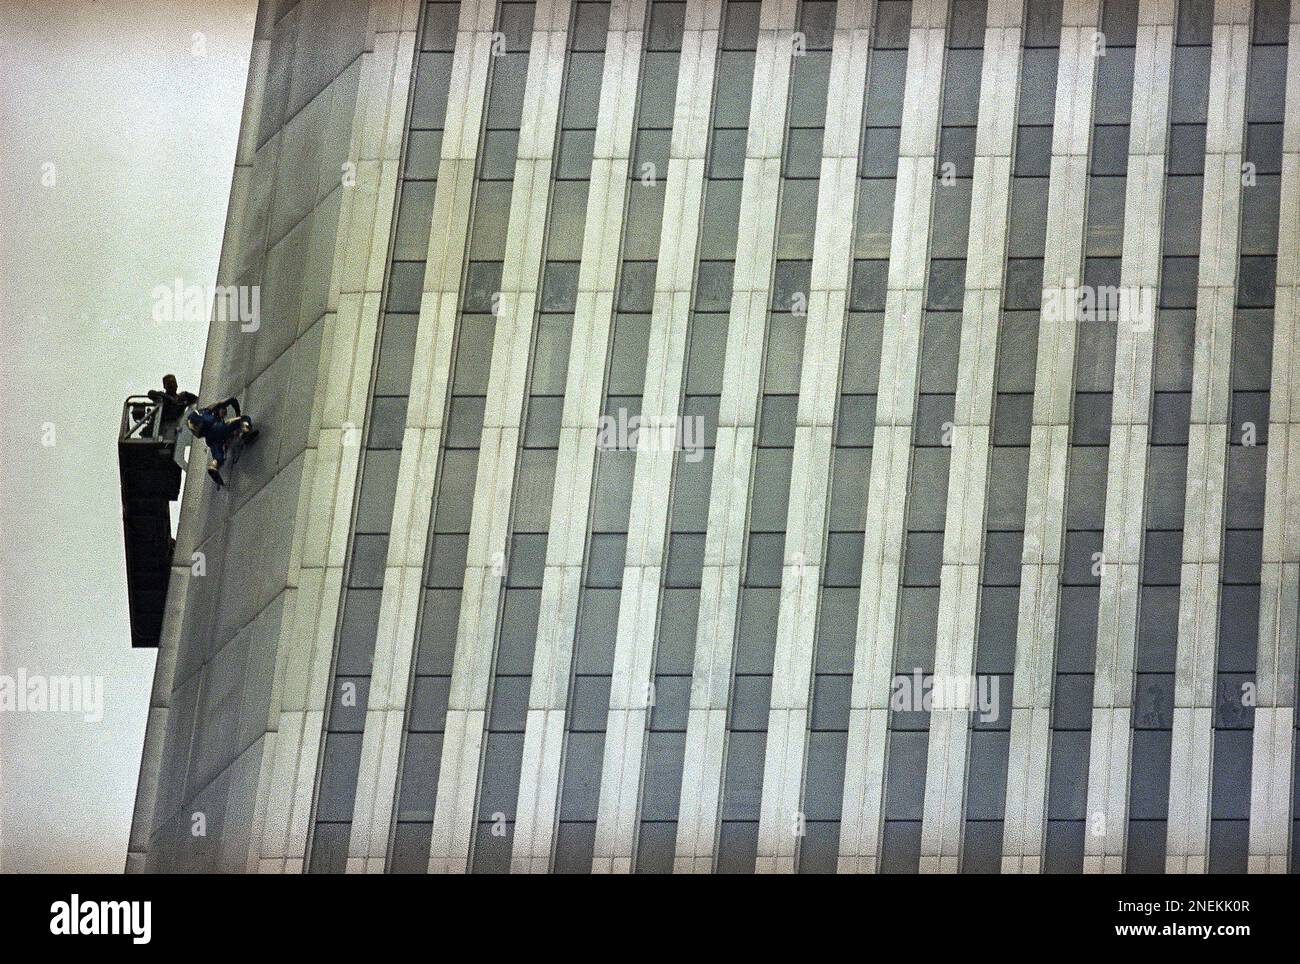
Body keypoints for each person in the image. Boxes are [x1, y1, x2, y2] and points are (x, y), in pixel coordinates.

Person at [186, 396, 259, 488]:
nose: (224, 413)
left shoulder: (205, 414)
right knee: (244, 419)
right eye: (223, 411)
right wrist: (238, 413)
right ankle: (245, 432)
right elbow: (232, 400)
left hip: (210, 439)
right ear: (219, 409)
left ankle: (213, 466)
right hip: (217, 428)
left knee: (218, 456)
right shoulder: (211, 410)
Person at [146, 374, 197, 441]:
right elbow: (150, 393)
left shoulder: (182, 397)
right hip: (163, 427)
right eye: (169, 383)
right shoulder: (162, 397)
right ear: (165, 386)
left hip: (179, 425)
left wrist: (186, 394)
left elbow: (199, 400)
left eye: (173, 382)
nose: (172, 385)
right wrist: (169, 398)